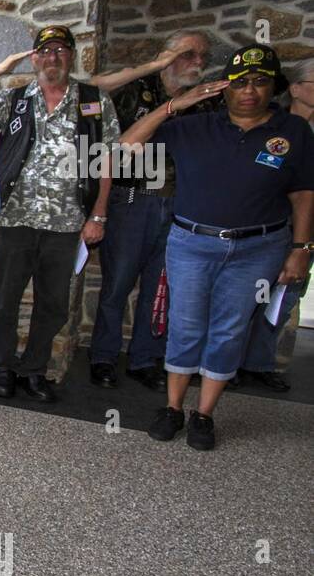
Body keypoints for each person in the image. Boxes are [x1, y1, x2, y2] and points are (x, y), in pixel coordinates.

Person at [120, 43, 313, 450]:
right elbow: (126, 147)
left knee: (229, 330)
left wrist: (301, 247)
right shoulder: (194, 126)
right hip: (192, 243)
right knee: (185, 325)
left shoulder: (292, 132)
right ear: (224, 88)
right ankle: (173, 407)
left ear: (274, 88)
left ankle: (203, 414)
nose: (250, 91)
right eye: (241, 82)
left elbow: (303, 194)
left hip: (258, 248)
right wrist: (175, 105)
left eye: (260, 82)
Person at [0, 25, 119, 403]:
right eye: (45, 52)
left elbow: (106, 160)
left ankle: (34, 370)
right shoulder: (16, 99)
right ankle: (3, 367)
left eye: (61, 50)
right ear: (34, 59)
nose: (53, 58)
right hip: (15, 218)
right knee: (4, 304)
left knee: (53, 305)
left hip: (66, 224)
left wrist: (98, 215)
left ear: (71, 56)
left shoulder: (93, 101)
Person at [88, 30, 217, 391]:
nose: (197, 63)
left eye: (202, 57)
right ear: (166, 55)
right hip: (133, 200)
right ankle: (103, 357)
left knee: (160, 287)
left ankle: (145, 358)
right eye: (188, 55)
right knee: (117, 285)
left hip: (181, 203)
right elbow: (93, 100)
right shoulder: (135, 90)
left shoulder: (207, 102)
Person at [234, 59, 314, 391]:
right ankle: (227, 364)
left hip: (304, 230)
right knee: (242, 298)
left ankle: (258, 363)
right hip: (265, 226)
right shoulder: (270, 126)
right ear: (294, 88)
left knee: (284, 298)